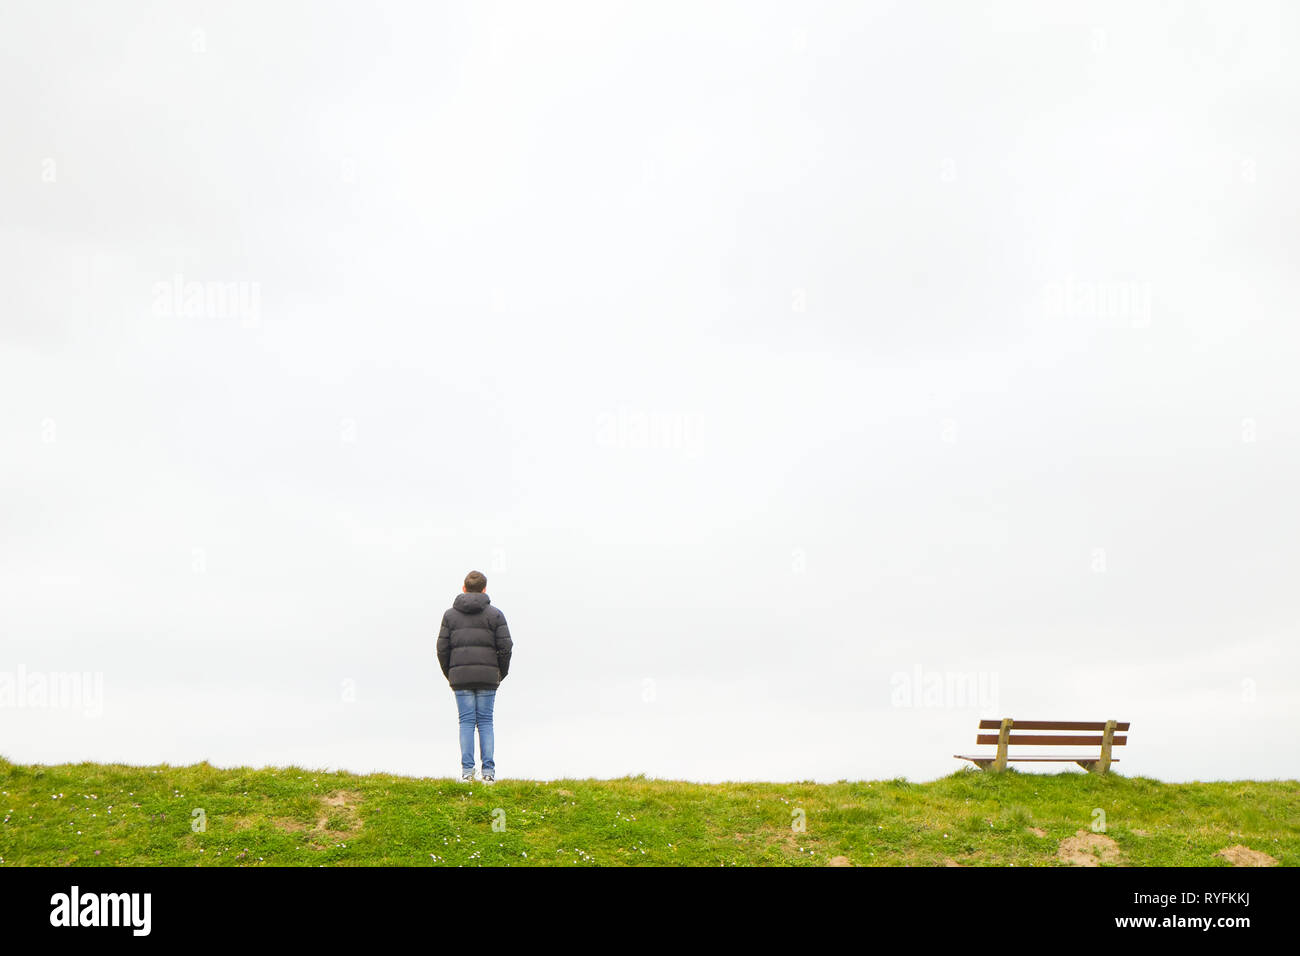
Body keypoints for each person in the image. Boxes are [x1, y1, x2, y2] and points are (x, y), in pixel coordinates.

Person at [436, 570, 513, 783]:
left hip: (460, 677)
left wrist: (451, 673)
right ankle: (488, 773)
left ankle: (467, 773)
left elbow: (442, 649)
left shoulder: (450, 615)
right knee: (486, 722)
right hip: (488, 676)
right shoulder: (495, 614)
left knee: (466, 722)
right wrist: (500, 673)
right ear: (484, 589)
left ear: (463, 588)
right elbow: (506, 647)